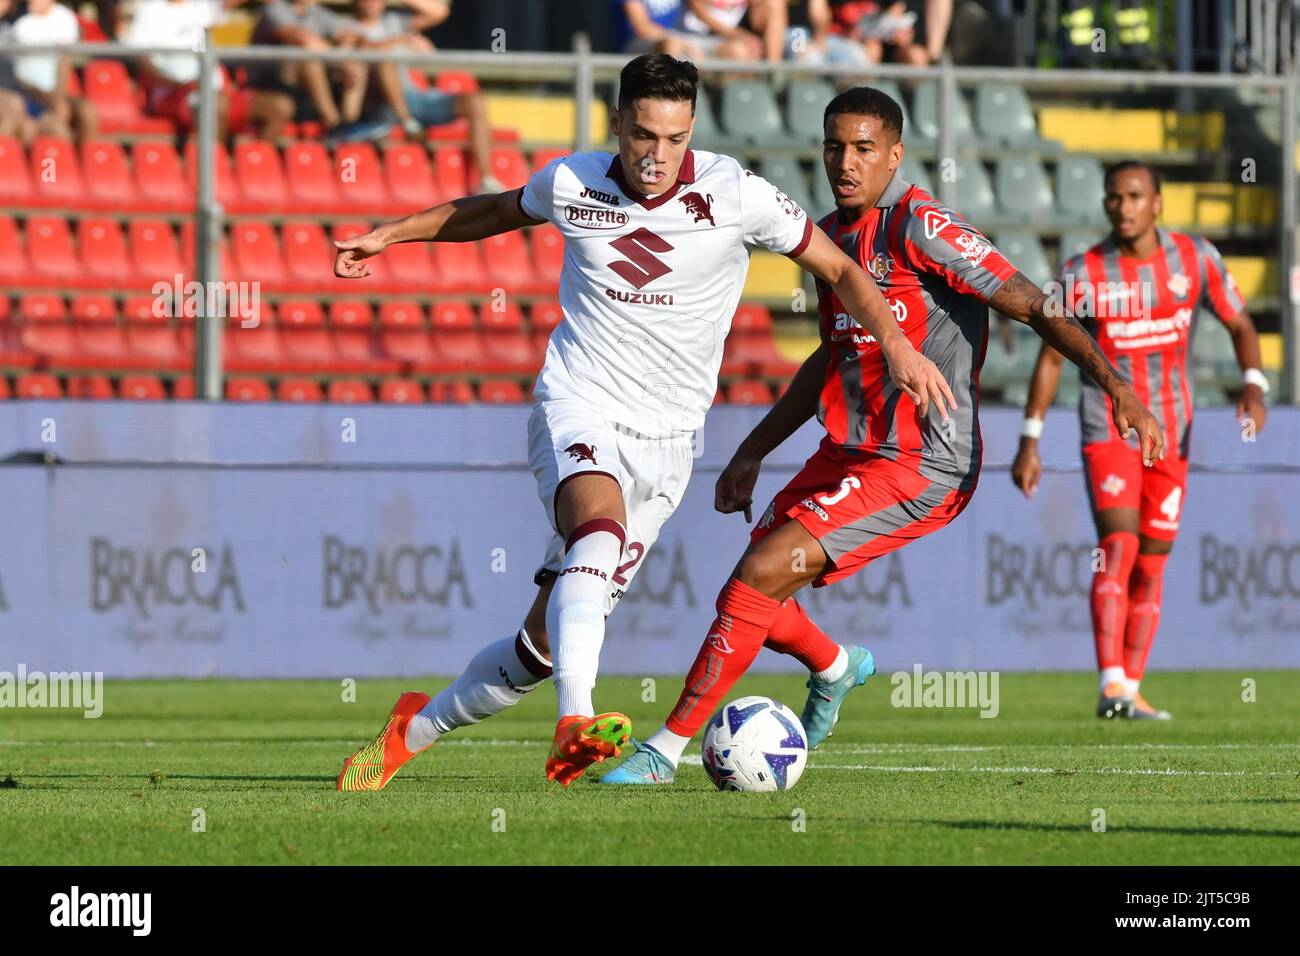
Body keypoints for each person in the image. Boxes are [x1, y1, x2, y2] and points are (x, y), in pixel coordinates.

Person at [332, 55, 951, 791]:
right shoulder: (573, 182)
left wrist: (898, 345)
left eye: (676, 137)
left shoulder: (738, 195)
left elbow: (843, 271)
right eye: (644, 135)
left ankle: (414, 728)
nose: (658, 155)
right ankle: (576, 724)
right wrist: (390, 236)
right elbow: (492, 211)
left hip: (670, 444)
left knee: (541, 646)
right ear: (618, 122)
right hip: (580, 402)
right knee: (599, 530)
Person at [598, 87, 1165, 786]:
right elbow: (825, 359)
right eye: (835, 146)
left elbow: (1035, 306)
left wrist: (1115, 384)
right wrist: (753, 450)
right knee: (748, 595)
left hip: (923, 461)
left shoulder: (921, 226)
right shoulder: (830, 238)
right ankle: (836, 668)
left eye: (864, 148)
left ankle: (665, 751)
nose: (847, 160)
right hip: (849, 448)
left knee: (758, 577)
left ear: (894, 155)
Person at [1011, 160, 1268, 721]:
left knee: (1152, 565)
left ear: (1157, 203)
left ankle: (1130, 688)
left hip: (1173, 433)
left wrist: (1253, 384)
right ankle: (1110, 686)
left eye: (1133, 197)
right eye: (1112, 198)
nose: (1122, 207)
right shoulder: (1082, 272)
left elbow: (1242, 325)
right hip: (1108, 430)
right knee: (1119, 546)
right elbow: (1052, 356)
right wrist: (1030, 436)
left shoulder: (1194, 259)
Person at [340, 0, 501, 191]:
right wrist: (401, 41)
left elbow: (439, 12)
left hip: (414, 97)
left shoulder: (393, 21)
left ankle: (486, 180)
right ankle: (407, 122)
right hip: (383, 106)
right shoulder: (344, 26)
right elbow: (358, 52)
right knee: (384, 62)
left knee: (475, 101)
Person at [125, 0, 288, 140]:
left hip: (214, 90)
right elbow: (142, 61)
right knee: (215, 107)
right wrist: (181, 83)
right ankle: (212, 169)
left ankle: (253, 167)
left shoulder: (200, 6)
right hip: (172, 92)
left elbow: (225, 5)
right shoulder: (149, 9)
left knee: (279, 107)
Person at [245, 0, 366, 137]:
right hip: (269, 84)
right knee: (310, 63)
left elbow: (352, 36)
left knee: (354, 66)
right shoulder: (274, 8)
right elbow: (303, 39)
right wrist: (337, 61)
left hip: (303, 83)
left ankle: (349, 123)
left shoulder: (317, 12)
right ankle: (334, 124)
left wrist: (344, 52)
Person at [9, 0, 98, 142]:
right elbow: (20, 75)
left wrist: (57, 96)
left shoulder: (65, 18)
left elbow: (65, 60)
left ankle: (90, 159)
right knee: (54, 126)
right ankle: (65, 158)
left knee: (87, 111)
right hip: (29, 95)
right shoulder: (21, 25)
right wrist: (50, 98)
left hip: (56, 92)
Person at [615, 0, 759, 61]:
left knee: (737, 50)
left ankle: (722, 107)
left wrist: (740, 35)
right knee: (672, 45)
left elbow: (706, 7)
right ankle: (671, 100)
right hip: (639, 45)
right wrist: (683, 43)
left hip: (685, 40)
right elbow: (642, 28)